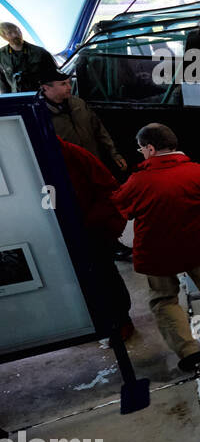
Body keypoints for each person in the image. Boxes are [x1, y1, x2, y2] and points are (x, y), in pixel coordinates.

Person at [113, 123, 200, 373]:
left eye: (141, 150)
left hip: (159, 253)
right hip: (199, 245)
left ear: (150, 148)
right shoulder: (197, 171)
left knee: (164, 300)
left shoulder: (139, 180)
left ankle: (188, 351)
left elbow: (120, 205)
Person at [58, 138, 133, 340]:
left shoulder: (73, 154)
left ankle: (120, 321)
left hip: (89, 229)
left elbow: (109, 190)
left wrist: (90, 221)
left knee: (103, 274)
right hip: (58, 232)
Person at [37, 65, 127, 175]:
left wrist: (114, 155)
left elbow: (100, 130)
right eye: (63, 84)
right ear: (46, 87)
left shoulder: (78, 104)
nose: (69, 87)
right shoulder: (39, 114)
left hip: (93, 164)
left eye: (69, 82)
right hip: (70, 172)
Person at [0, 22, 55, 94]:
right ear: (4, 36)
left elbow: (55, 76)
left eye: (17, 31)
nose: (16, 35)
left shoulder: (40, 52)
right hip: (16, 97)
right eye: (10, 33)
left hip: (40, 95)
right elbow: (2, 82)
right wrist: (7, 101)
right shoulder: (2, 55)